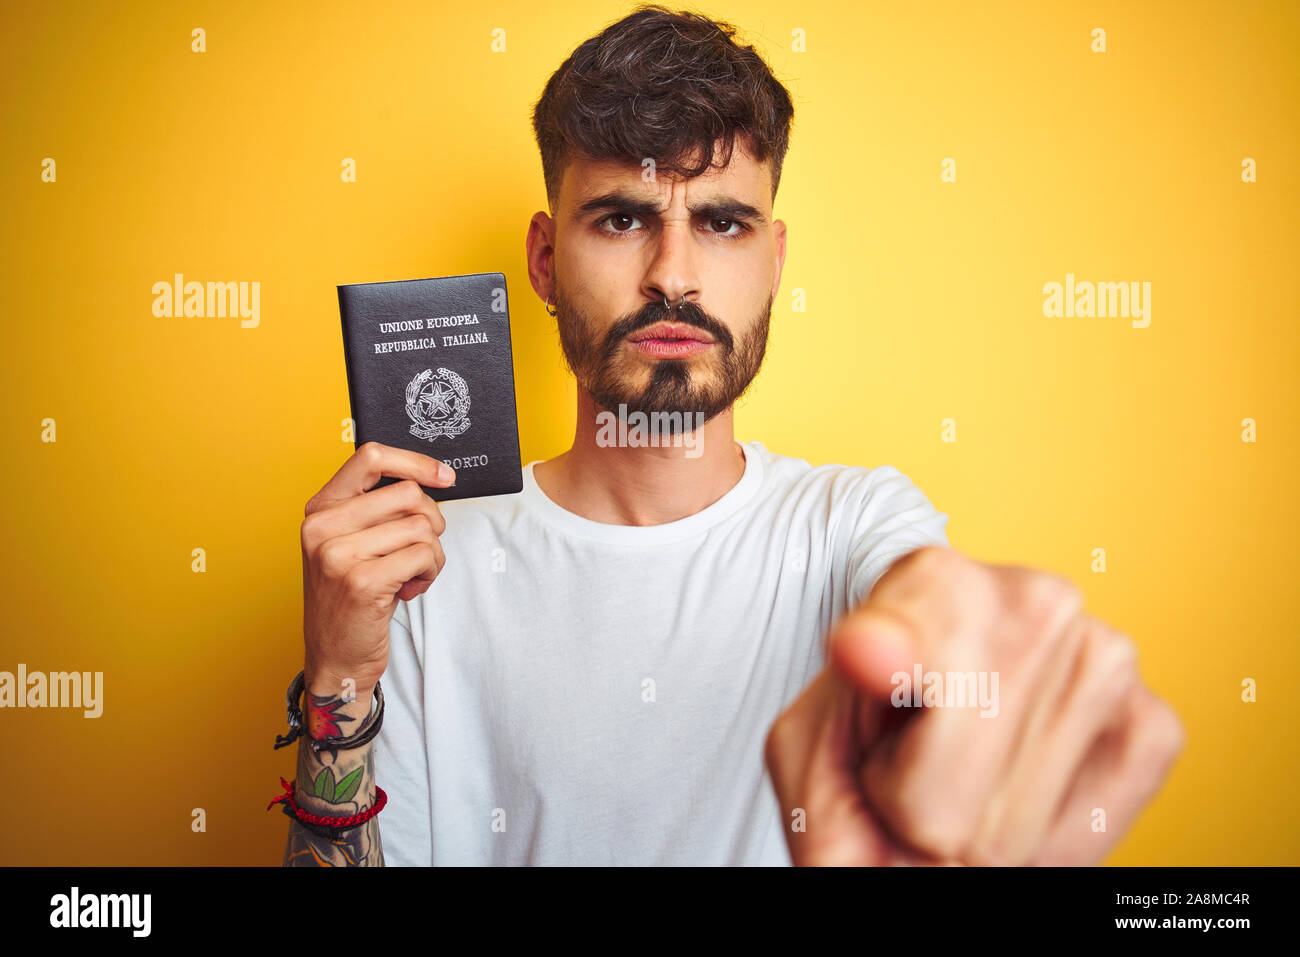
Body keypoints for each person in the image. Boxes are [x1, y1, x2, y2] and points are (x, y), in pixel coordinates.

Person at [282, 4, 1183, 866]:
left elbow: (925, 603)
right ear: (547, 261)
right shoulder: (418, 557)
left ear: (774, 262)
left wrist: (965, 668)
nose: (673, 274)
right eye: (623, 217)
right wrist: (339, 684)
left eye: (721, 222)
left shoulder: (850, 523)